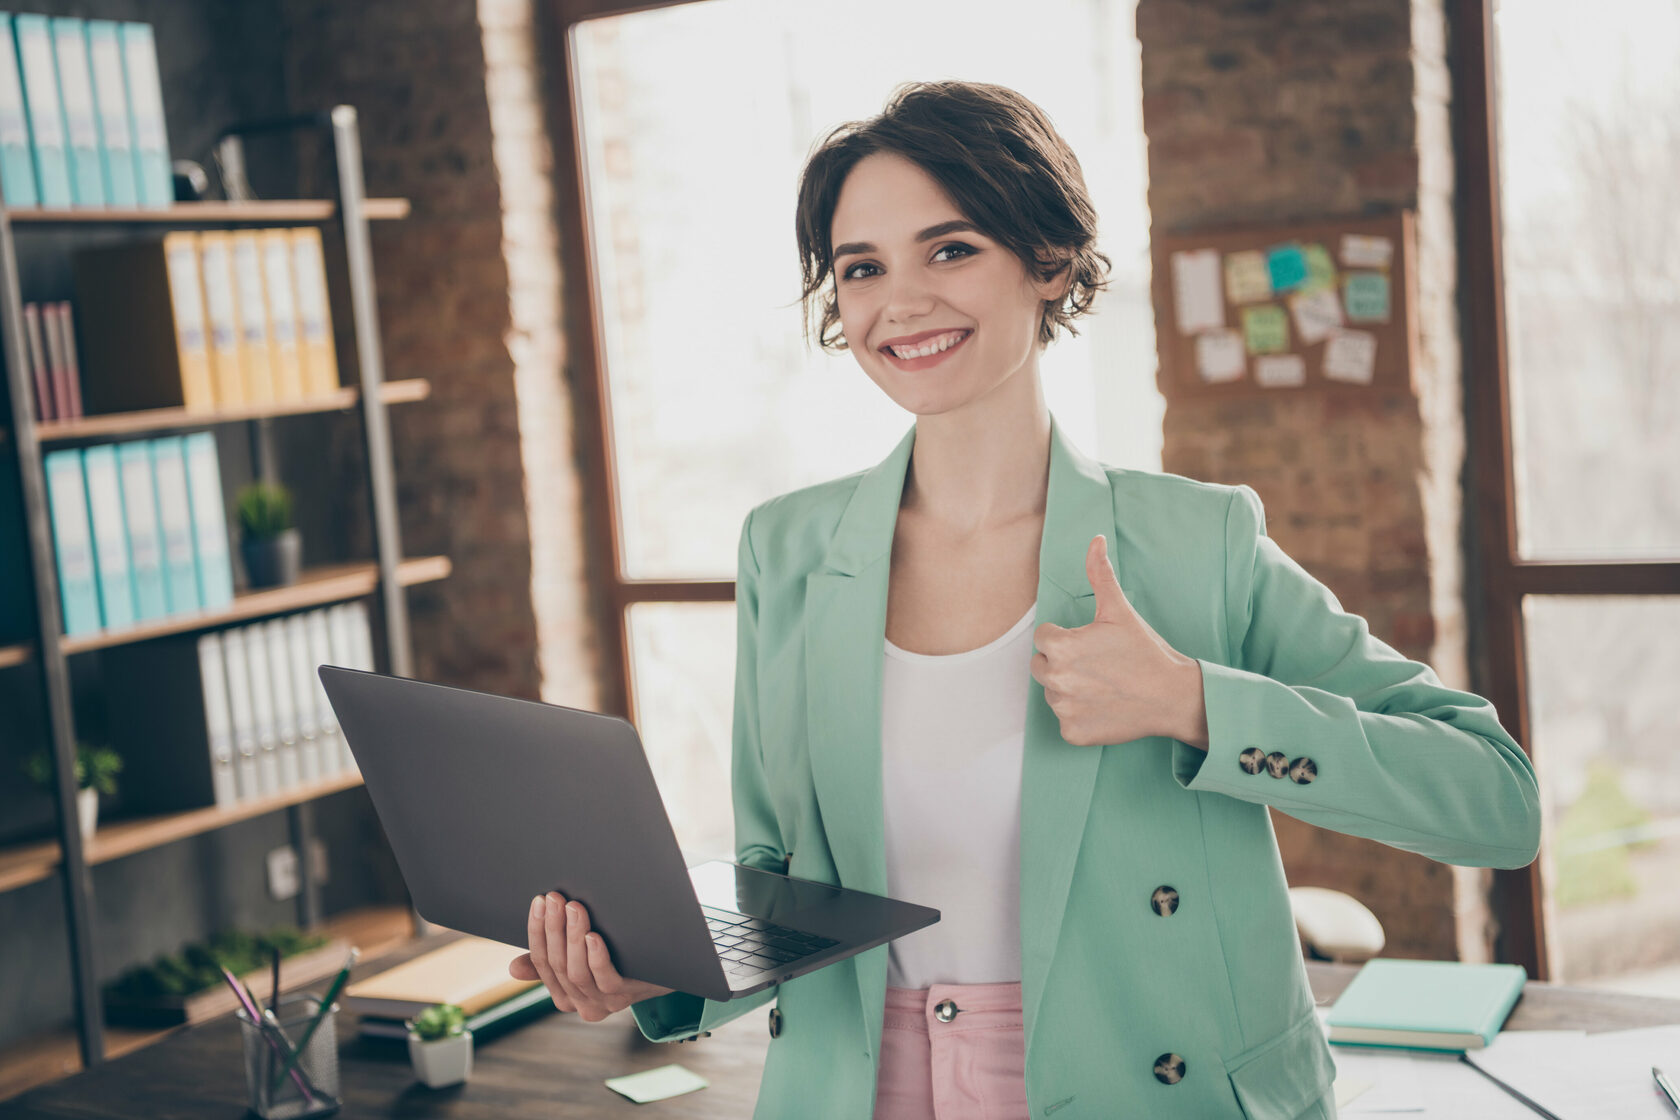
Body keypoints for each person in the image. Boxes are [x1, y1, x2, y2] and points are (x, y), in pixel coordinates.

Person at [510, 79, 1541, 1120]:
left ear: (1049, 263)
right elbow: (782, 873)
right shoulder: (788, 549)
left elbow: (1496, 800)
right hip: (859, 1091)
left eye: (950, 249)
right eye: (862, 268)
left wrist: (1195, 701)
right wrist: (665, 963)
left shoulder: (1197, 544)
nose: (900, 301)